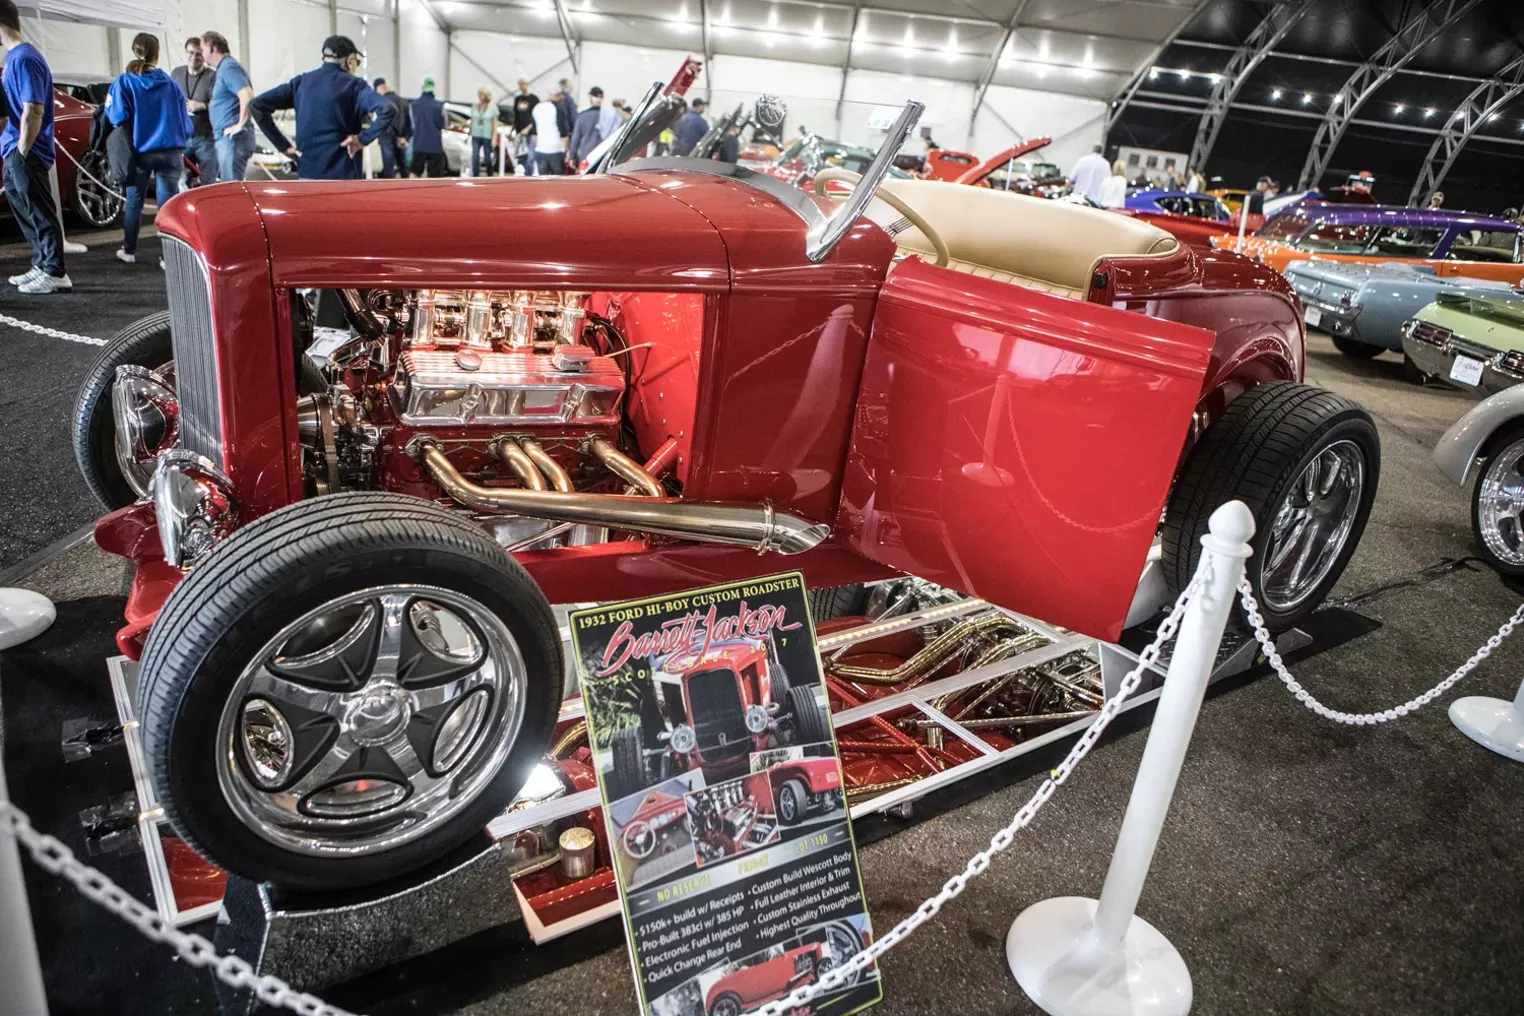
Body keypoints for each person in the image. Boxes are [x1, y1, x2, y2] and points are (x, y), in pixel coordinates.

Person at [250, 36, 393, 180]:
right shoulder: (354, 86)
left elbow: (257, 105)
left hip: (307, 176)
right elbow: (387, 108)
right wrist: (362, 139)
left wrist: (283, 146)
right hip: (343, 177)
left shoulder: (301, 83)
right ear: (350, 60)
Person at [0, 0, 68, 294]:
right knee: (24, 209)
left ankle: (55, 272)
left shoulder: (25, 58)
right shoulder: (14, 58)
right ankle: (41, 264)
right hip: (13, 149)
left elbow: (34, 109)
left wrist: (23, 152)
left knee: (39, 211)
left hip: (26, 150)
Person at [106, 33, 191, 265]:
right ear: (157, 54)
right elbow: (186, 123)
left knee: (134, 202)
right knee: (167, 206)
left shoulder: (124, 82)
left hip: (139, 153)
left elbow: (115, 116)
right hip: (171, 153)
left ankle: (129, 250)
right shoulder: (171, 84)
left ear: (135, 52)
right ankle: (167, 257)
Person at [202, 31, 254, 184]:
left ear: (211, 48)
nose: (202, 54)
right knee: (229, 187)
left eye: (203, 49)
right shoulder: (224, 68)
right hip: (227, 140)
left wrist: (240, 125)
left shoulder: (229, 68)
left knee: (232, 190)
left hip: (233, 140)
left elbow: (247, 95)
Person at [171, 36, 216, 187]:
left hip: (206, 138)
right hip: (183, 138)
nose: (194, 57)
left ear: (204, 55)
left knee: (207, 182)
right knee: (179, 180)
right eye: (191, 52)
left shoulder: (213, 77)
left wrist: (202, 106)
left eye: (198, 54)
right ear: (185, 52)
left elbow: (221, 105)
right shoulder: (177, 73)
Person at [408, 77, 447, 177]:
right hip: (435, 145)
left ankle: (411, 192)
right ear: (433, 88)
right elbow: (444, 125)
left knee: (414, 172)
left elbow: (412, 125)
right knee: (435, 176)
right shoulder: (440, 106)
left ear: (422, 87)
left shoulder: (413, 105)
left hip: (419, 143)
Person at [372, 78, 411, 178]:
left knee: (389, 169)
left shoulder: (382, 102)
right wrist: (404, 137)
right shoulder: (403, 101)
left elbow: (382, 122)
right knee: (404, 168)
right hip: (401, 139)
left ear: (380, 88)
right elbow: (409, 122)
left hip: (387, 138)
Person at [567, 85, 606, 168]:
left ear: (590, 97)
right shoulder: (608, 116)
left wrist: (572, 156)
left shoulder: (582, 116)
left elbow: (575, 138)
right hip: (603, 154)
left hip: (586, 154)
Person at [507, 77, 537, 174]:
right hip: (520, 131)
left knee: (530, 156)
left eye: (522, 84)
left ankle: (529, 174)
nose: (521, 87)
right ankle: (522, 173)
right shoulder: (518, 99)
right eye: (519, 84)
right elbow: (516, 116)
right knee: (520, 155)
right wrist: (512, 131)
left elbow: (536, 116)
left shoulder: (534, 99)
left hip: (531, 132)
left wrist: (529, 128)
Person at [532, 87, 565, 175]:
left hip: (540, 150)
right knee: (558, 183)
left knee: (543, 181)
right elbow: (563, 132)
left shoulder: (537, 108)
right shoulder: (558, 109)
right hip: (556, 150)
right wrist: (565, 150)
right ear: (557, 95)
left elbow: (534, 134)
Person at [469, 85, 495, 176]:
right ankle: (475, 175)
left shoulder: (493, 108)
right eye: (479, 94)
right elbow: (472, 120)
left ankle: (490, 175)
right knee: (475, 156)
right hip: (476, 134)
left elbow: (495, 124)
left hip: (486, 135)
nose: (479, 96)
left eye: (481, 94)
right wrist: (469, 131)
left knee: (487, 157)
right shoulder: (474, 106)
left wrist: (494, 137)